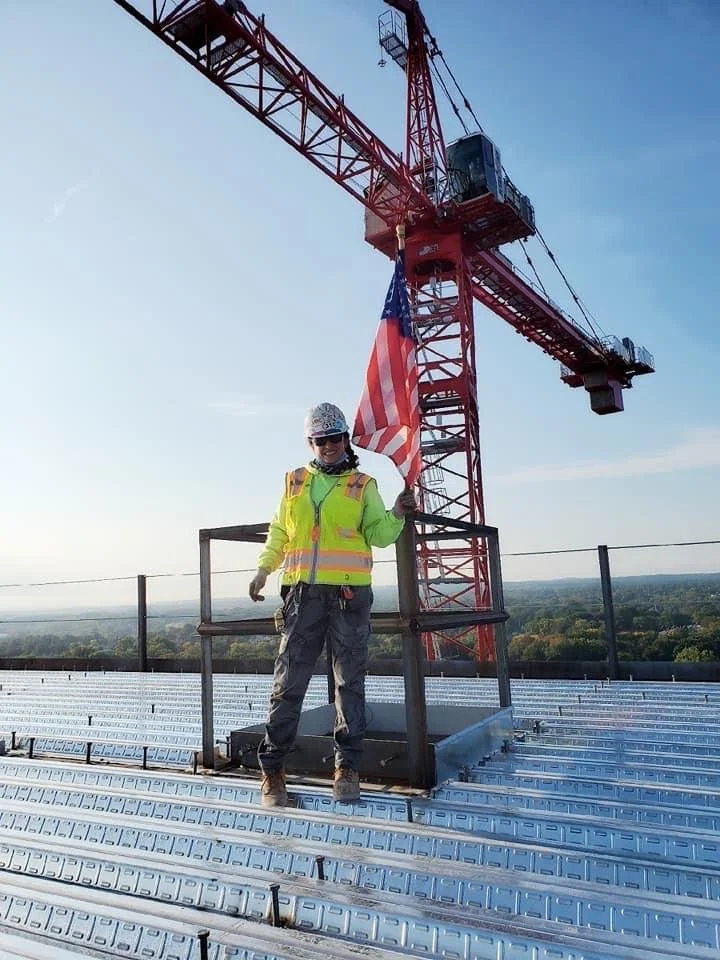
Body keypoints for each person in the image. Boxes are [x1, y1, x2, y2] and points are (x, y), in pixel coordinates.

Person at [249, 402, 416, 807]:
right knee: (288, 687)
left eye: (335, 438)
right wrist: (263, 570)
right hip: (302, 596)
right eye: (320, 439)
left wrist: (395, 513)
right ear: (310, 441)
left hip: (348, 597)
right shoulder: (294, 483)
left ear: (346, 439)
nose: (328, 445)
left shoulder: (363, 485)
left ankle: (347, 770)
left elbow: (378, 534)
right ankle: (273, 773)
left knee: (349, 685)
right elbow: (278, 533)